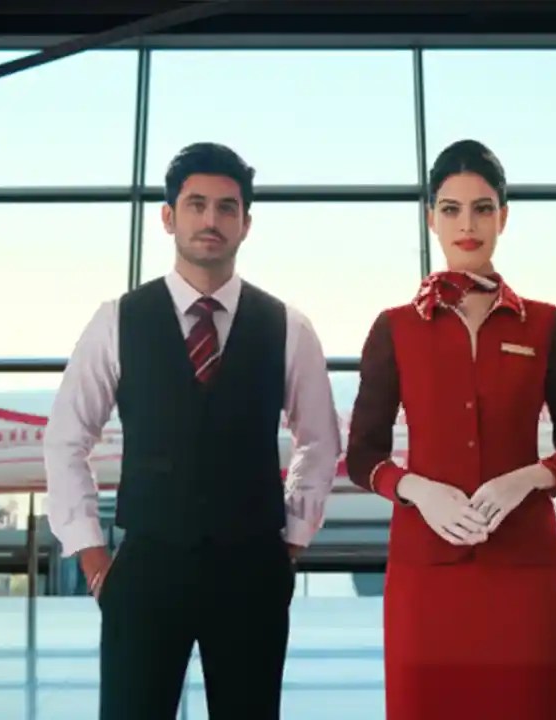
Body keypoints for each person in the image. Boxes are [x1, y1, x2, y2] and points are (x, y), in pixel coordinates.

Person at [44, 141, 341, 720]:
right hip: (148, 565)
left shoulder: (288, 326)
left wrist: (291, 541)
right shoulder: (117, 319)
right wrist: (91, 556)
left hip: (253, 567)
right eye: (196, 204)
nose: (211, 220)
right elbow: (66, 438)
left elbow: (320, 441)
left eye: (227, 207)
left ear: (246, 224)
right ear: (168, 217)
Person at [345, 139, 556, 720]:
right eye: (452, 209)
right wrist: (417, 489)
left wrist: (529, 478)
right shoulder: (394, 329)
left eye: (483, 209)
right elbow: (363, 456)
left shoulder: (547, 324)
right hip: (425, 571)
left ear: (503, 218)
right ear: (431, 219)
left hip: (525, 569)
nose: (467, 225)